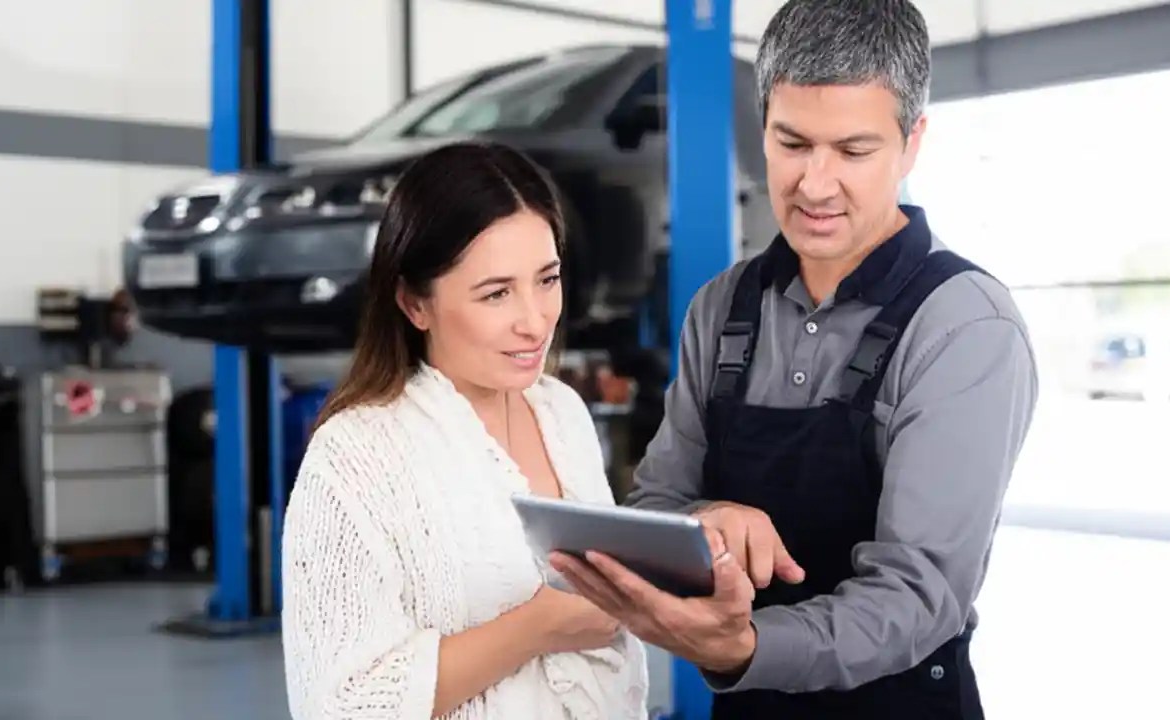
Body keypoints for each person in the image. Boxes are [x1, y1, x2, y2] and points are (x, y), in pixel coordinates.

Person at [550, 1, 1038, 718]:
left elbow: (917, 593)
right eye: (792, 143)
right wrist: (708, 518)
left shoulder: (965, 326)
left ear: (912, 143)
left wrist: (745, 649)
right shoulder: (720, 308)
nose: (814, 184)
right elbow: (657, 501)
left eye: (852, 150)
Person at [280, 142, 649, 720]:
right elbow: (339, 707)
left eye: (547, 280)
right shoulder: (355, 456)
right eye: (496, 293)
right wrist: (538, 626)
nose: (534, 321)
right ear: (413, 303)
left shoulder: (562, 413)